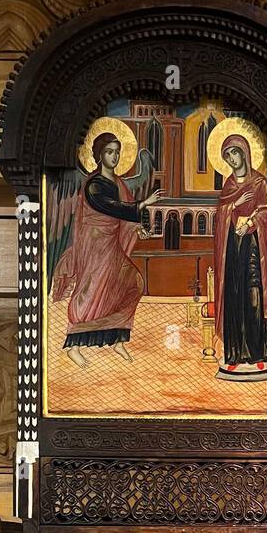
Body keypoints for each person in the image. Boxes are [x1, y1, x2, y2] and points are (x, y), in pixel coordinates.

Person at [52, 133, 163, 366]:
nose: (114, 156)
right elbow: (111, 207)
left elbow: (124, 215)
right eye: (109, 152)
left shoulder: (119, 183)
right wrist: (142, 204)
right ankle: (73, 342)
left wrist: (138, 230)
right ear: (100, 156)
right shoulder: (94, 184)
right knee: (91, 291)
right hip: (94, 243)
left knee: (131, 283)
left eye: (117, 151)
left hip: (111, 242)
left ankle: (117, 337)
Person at [212, 135, 267, 376]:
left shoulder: (260, 183)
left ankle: (258, 353)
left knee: (254, 294)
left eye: (234, 153)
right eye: (227, 156)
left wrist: (251, 223)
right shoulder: (228, 186)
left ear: (245, 153)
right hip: (233, 248)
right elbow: (221, 214)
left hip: (254, 247)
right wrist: (234, 205)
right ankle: (234, 353)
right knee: (234, 297)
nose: (231, 159)